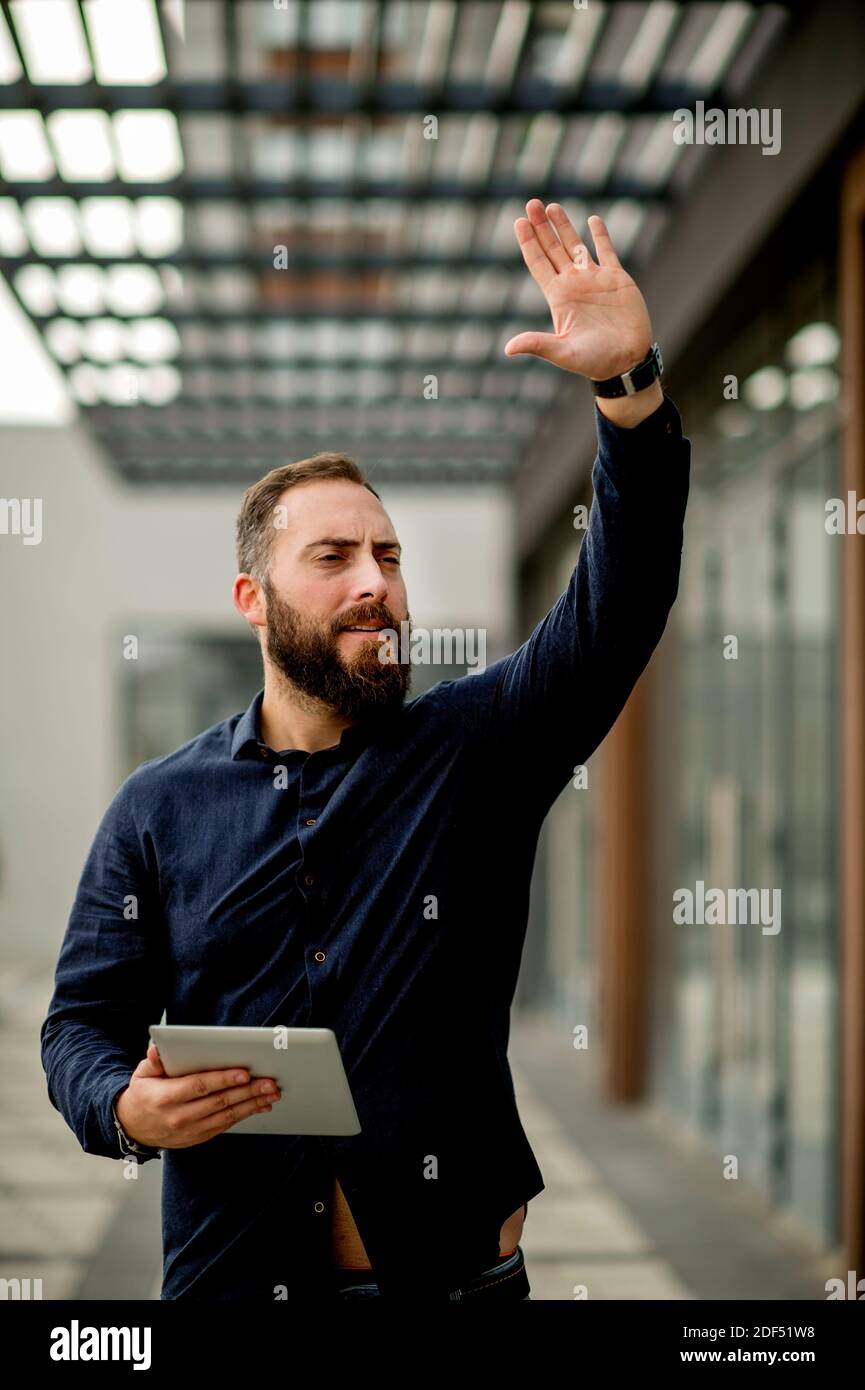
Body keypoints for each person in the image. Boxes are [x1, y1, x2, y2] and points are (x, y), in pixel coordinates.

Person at [40, 200, 690, 1301]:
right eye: (334, 556)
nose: (374, 583)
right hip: (234, 1283)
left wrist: (626, 391)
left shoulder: (476, 747)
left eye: (386, 555)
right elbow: (81, 1024)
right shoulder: (157, 808)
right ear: (252, 599)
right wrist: (121, 1107)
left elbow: (616, 608)